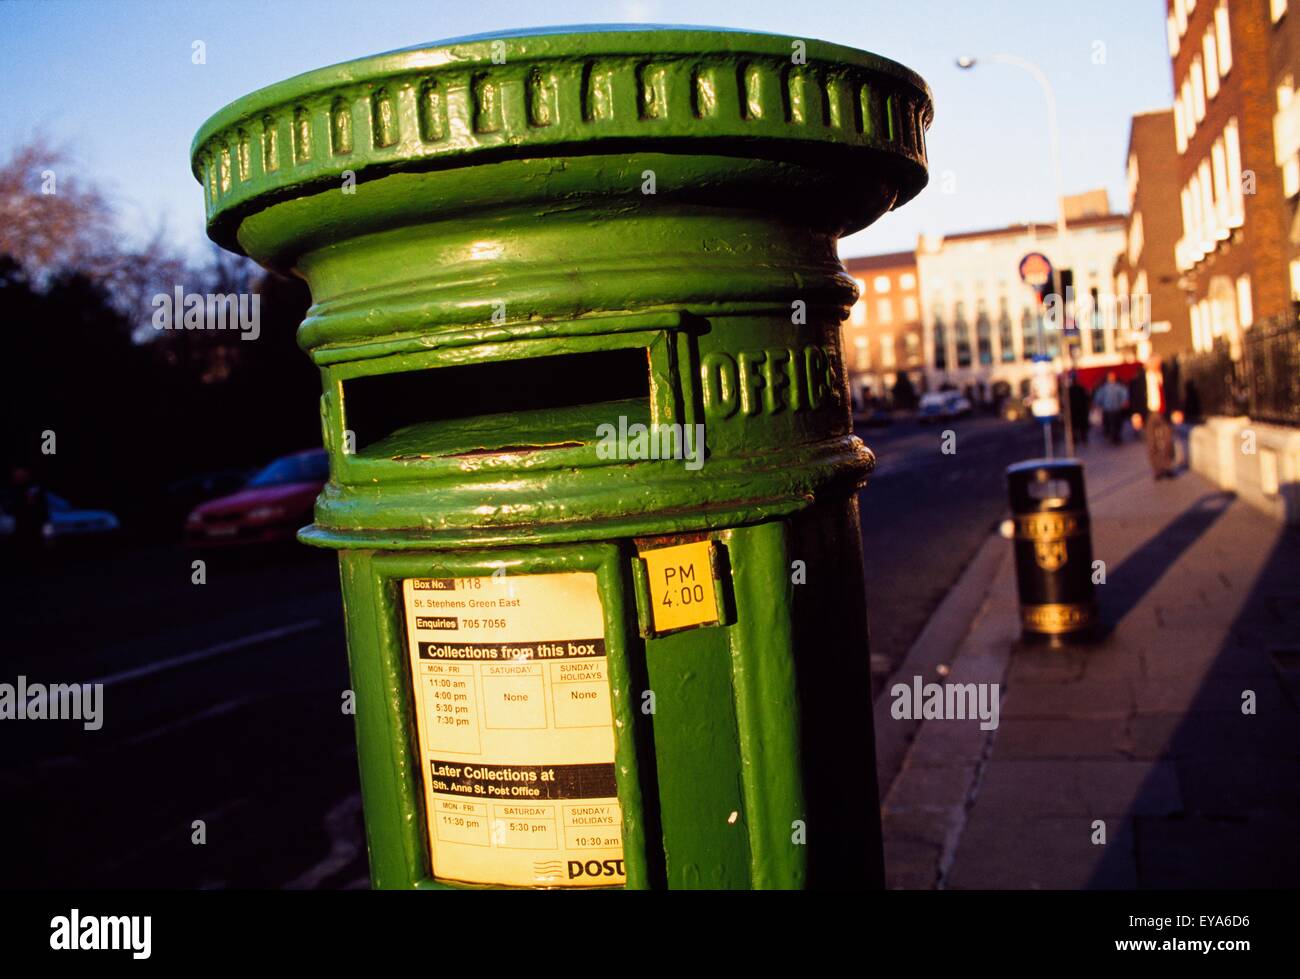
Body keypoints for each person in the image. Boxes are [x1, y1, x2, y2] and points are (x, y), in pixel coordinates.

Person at [1129, 355, 1183, 480]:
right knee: (1151, 443)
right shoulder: (1139, 379)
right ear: (1148, 365)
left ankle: (1167, 466)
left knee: (1168, 440)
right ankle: (1157, 469)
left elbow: (1173, 394)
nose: (1156, 367)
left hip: (1164, 412)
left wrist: (1177, 410)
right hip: (1148, 413)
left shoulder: (1166, 376)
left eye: (1158, 364)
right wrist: (1136, 415)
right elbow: (1135, 398)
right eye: (1153, 364)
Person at [1093, 371, 1129, 446]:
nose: (1111, 378)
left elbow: (1124, 395)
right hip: (1108, 409)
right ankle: (1113, 437)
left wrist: (1124, 402)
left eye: (1113, 376)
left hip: (1117, 408)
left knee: (1118, 423)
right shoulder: (1104, 387)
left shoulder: (1118, 387)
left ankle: (1117, 436)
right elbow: (1099, 397)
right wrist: (1097, 404)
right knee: (1111, 424)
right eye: (1110, 376)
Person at [1067, 372, 1090, 446]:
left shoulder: (1073, 390)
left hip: (1077, 411)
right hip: (1077, 411)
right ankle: (1080, 438)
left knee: (1077, 426)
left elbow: (1086, 399)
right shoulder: (1077, 389)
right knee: (1077, 426)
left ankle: (1080, 438)